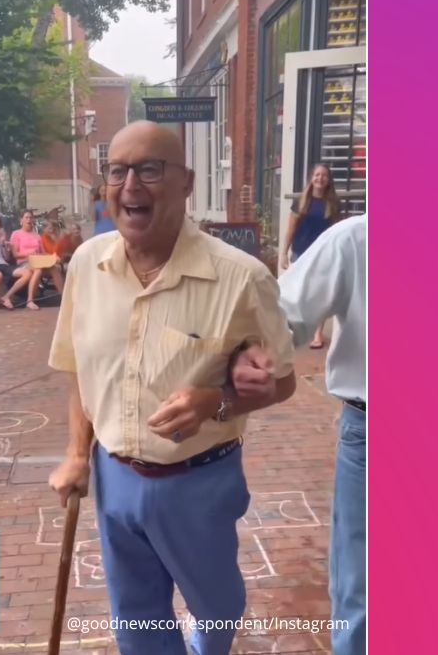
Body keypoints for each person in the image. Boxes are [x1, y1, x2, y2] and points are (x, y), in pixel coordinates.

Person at [46, 121, 297, 655]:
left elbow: (282, 382)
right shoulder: (89, 264)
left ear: (186, 182)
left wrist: (218, 400)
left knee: (216, 609)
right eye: (117, 171)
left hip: (198, 483)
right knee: (138, 624)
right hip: (114, 477)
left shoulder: (242, 278)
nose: (130, 184)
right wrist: (75, 454)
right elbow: (78, 367)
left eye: (150, 170)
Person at [234, 214, 367, 655]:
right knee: (360, 590)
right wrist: (254, 351)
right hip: (375, 429)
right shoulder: (358, 238)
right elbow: (284, 316)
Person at [281, 162, 342, 348]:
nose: (320, 178)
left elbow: (337, 231)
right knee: (299, 290)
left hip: (324, 255)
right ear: (311, 178)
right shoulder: (301, 201)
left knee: (320, 293)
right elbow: (291, 229)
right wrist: (284, 252)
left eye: (324, 175)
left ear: (328, 180)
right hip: (301, 252)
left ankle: (318, 333)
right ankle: (296, 328)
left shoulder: (333, 203)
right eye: (317, 175)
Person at [0, 210, 52, 310]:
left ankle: (64, 296)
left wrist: (53, 256)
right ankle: (30, 300)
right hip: (23, 262)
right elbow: (15, 254)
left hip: (37, 261)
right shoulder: (16, 234)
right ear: (21, 220)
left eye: (30, 218)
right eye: (26, 217)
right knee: (38, 269)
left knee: (55, 268)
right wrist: (29, 254)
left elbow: (43, 252)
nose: (29, 220)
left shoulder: (37, 235)